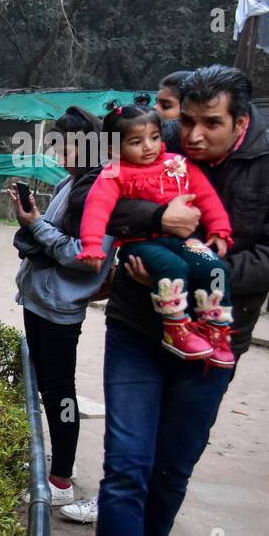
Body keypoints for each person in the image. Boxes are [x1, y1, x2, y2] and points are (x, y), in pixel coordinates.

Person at [86, 64, 269, 536]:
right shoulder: (153, 139)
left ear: (240, 122)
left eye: (209, 124)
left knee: (170, 470)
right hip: (138, 328)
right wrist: (154, 224)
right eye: (184, 121)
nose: (191, 136)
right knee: (126, 467)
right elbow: (100, 199)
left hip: (216, 341)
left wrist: (191, 273)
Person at [76, 104, 237, 369]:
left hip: (183, 241)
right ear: (113, 148)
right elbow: (96, 209)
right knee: (173, 266)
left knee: (213, 265)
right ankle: (175, 327)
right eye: (136, 142)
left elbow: (206, 198)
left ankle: (215, 329)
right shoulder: (114, 174)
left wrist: (220, 230)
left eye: (154, 137)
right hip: (141, 244)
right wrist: (93, 247)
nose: (148, 146)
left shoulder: (179, 164)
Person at [9, 107, 112, 507]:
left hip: (59, 308)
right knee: (47, 386)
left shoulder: (98, 189)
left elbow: (85, 256)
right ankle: (55, 466)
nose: (58, 152)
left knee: (60, 392)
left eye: (65, 145)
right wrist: (32, 220)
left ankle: (61, 480)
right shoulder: (75, 182)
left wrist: (35, 224)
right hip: (41, 299)